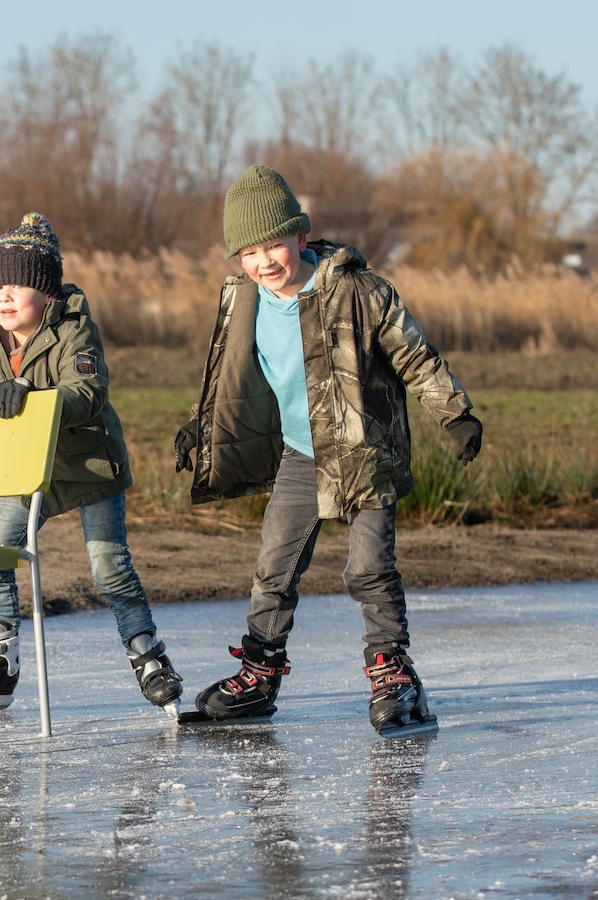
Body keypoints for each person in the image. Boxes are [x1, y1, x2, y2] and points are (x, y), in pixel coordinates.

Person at [173, 165, 482, 735]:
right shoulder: (243, 298)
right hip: (299, 451)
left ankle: (393, 672)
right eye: (249, 251)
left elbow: (414, 354)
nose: (265, 261)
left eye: (274, 245)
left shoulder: (356, 291)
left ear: (300, 237)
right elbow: (227, 374)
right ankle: (260, 673)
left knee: (368, 569)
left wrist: (455, 413)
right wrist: (199, 425)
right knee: (273, 566)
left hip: (364, 451)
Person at [0, 212, 184, 714]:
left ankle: (147, 656)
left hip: (88, 467)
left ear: (49, 295)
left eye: (20, 286)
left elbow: (87, 392)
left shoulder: (75, 333)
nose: (6, 297)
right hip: (27, 468)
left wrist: (33, 394)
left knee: (110, 570)